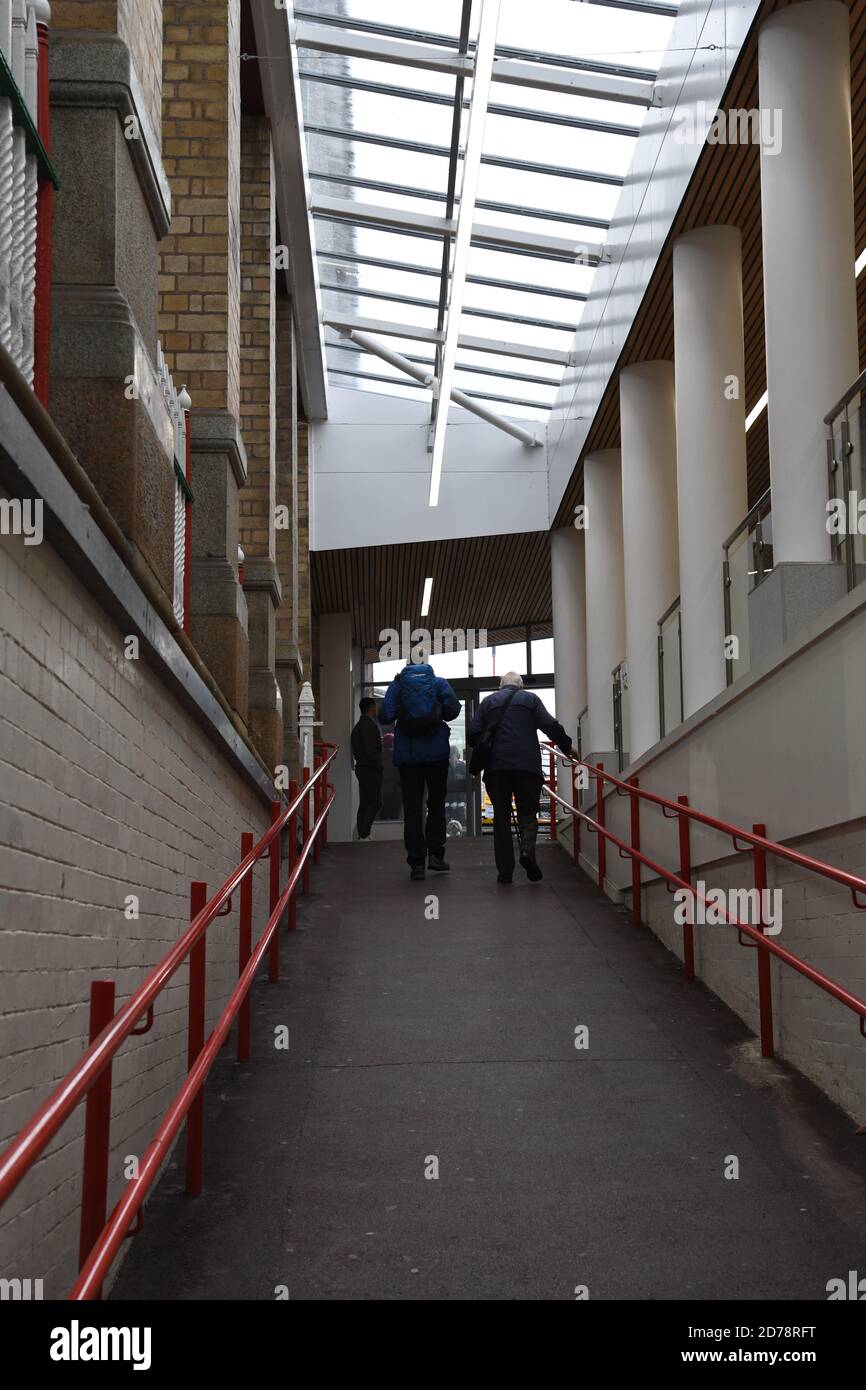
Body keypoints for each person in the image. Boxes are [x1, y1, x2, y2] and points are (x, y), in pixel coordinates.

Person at [468, 672, 572, 885]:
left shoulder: (488, 702)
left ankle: (505, 872)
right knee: (528, 813)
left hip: (497, 769)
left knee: (501, 818)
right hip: (527, 767)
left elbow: (472, 733)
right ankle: (526, 851)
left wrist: (487, 745)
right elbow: (550, 726)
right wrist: (567, 748)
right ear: (521, 686)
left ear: (500, 686)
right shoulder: (530, 700)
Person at [378, 659, 461, 880]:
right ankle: (436, 855)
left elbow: (385, 715)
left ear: (406, 665)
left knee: (413, 808)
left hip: (409, 756)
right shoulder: (438, 683)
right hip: (436, 754)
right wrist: (436, 712)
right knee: (436, 804)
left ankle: (416, 863)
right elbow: (453, 709)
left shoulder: (397, 685)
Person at [350, 696, 383, 841]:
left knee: (365, 801)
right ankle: (365, 833)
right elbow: (371, 750)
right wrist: (379, 765)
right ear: (371, 708)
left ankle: (361, 833)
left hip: (361, 768)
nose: (377, 709)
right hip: (370, 768)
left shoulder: (358, 727)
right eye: (375, 707)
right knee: (375, 802)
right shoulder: (370, 726)